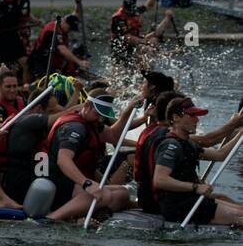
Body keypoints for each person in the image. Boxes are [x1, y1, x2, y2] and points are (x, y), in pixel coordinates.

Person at [41, 92, 136, 222]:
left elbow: (113, 135)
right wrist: (87, 183)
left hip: (73, 183)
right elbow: (63, 160)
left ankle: (86, 212)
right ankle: (51, 218)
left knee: (123, 193)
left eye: (103, 116)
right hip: (59, 181)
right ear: (86, 105)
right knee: (106, 196)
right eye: (97, 114)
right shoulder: (74, 128)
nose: (100, 119)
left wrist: (128, 111)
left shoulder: (92, 123)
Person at [151, 98, 243, 226]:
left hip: (190, 199)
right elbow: (160, 180)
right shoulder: (170, 145)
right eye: (192, 115)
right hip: (178, 206)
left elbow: (220, 155)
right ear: (176, 117)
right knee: (240, 218)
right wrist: (196, 187)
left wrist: (241, 134)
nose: (197, 120)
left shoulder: (188, 143)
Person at [28, 13, 87, 79]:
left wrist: (78, 3)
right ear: (64, 22)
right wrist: (79, 62)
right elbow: (62, 49)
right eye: (70, 28)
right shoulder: (53, 30)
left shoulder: (62, 29)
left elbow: (76, 13)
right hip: (41, 65)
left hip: (51, 66)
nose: (70, 31)